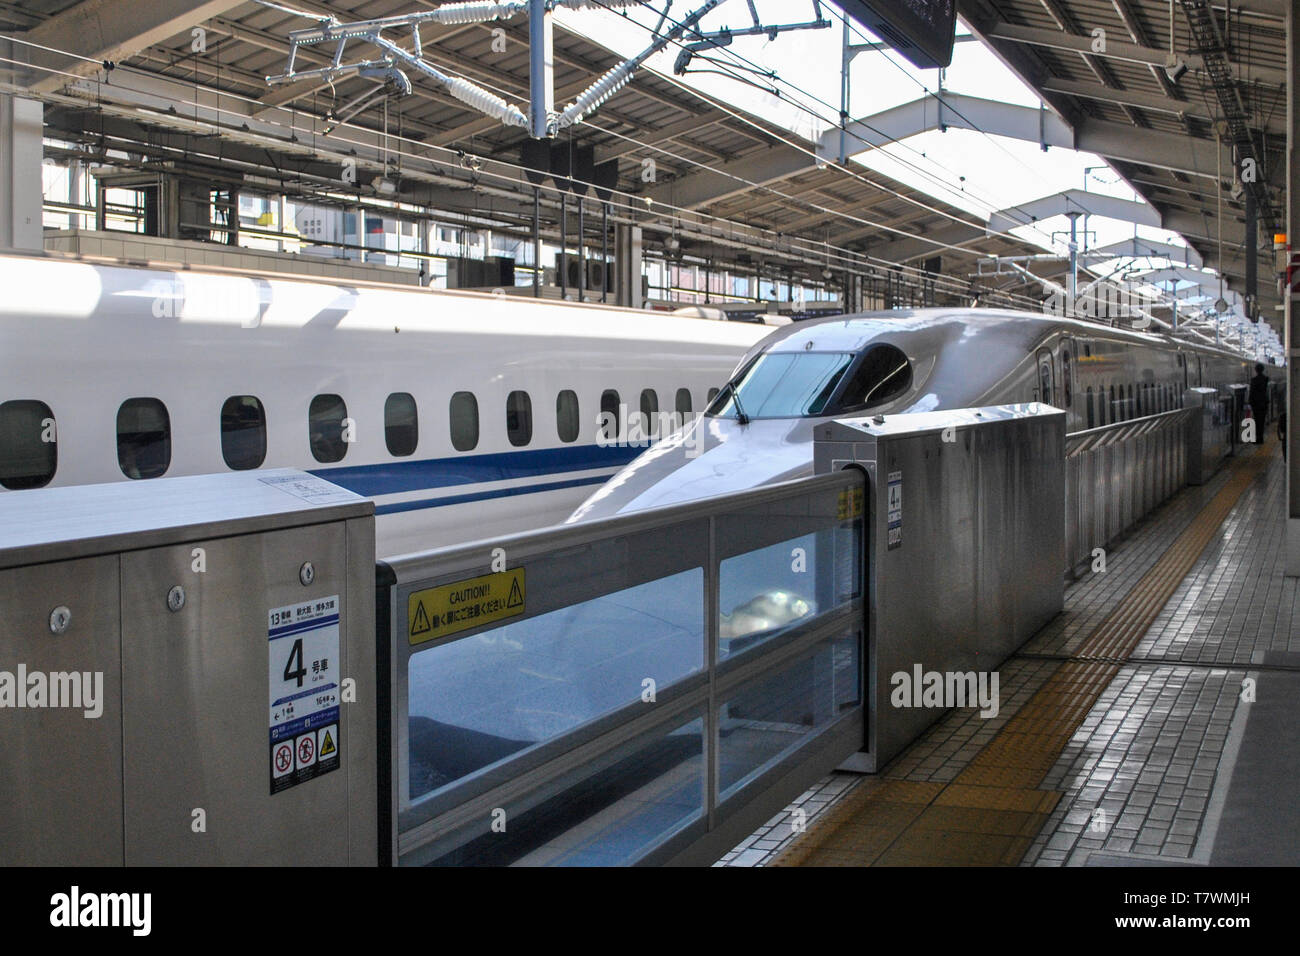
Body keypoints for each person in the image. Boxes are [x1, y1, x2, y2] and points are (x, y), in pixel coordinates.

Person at [1248, 363, 1270, 443]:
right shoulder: (1266, 379)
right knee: (1262, 421)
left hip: (1256, 404)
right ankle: (1260, 438)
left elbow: (1252, 392)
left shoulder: (1254, 380)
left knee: (1257, 421)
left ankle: (1258, 438)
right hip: (1264, 403)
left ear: (1256, 370)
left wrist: (1250, 401)